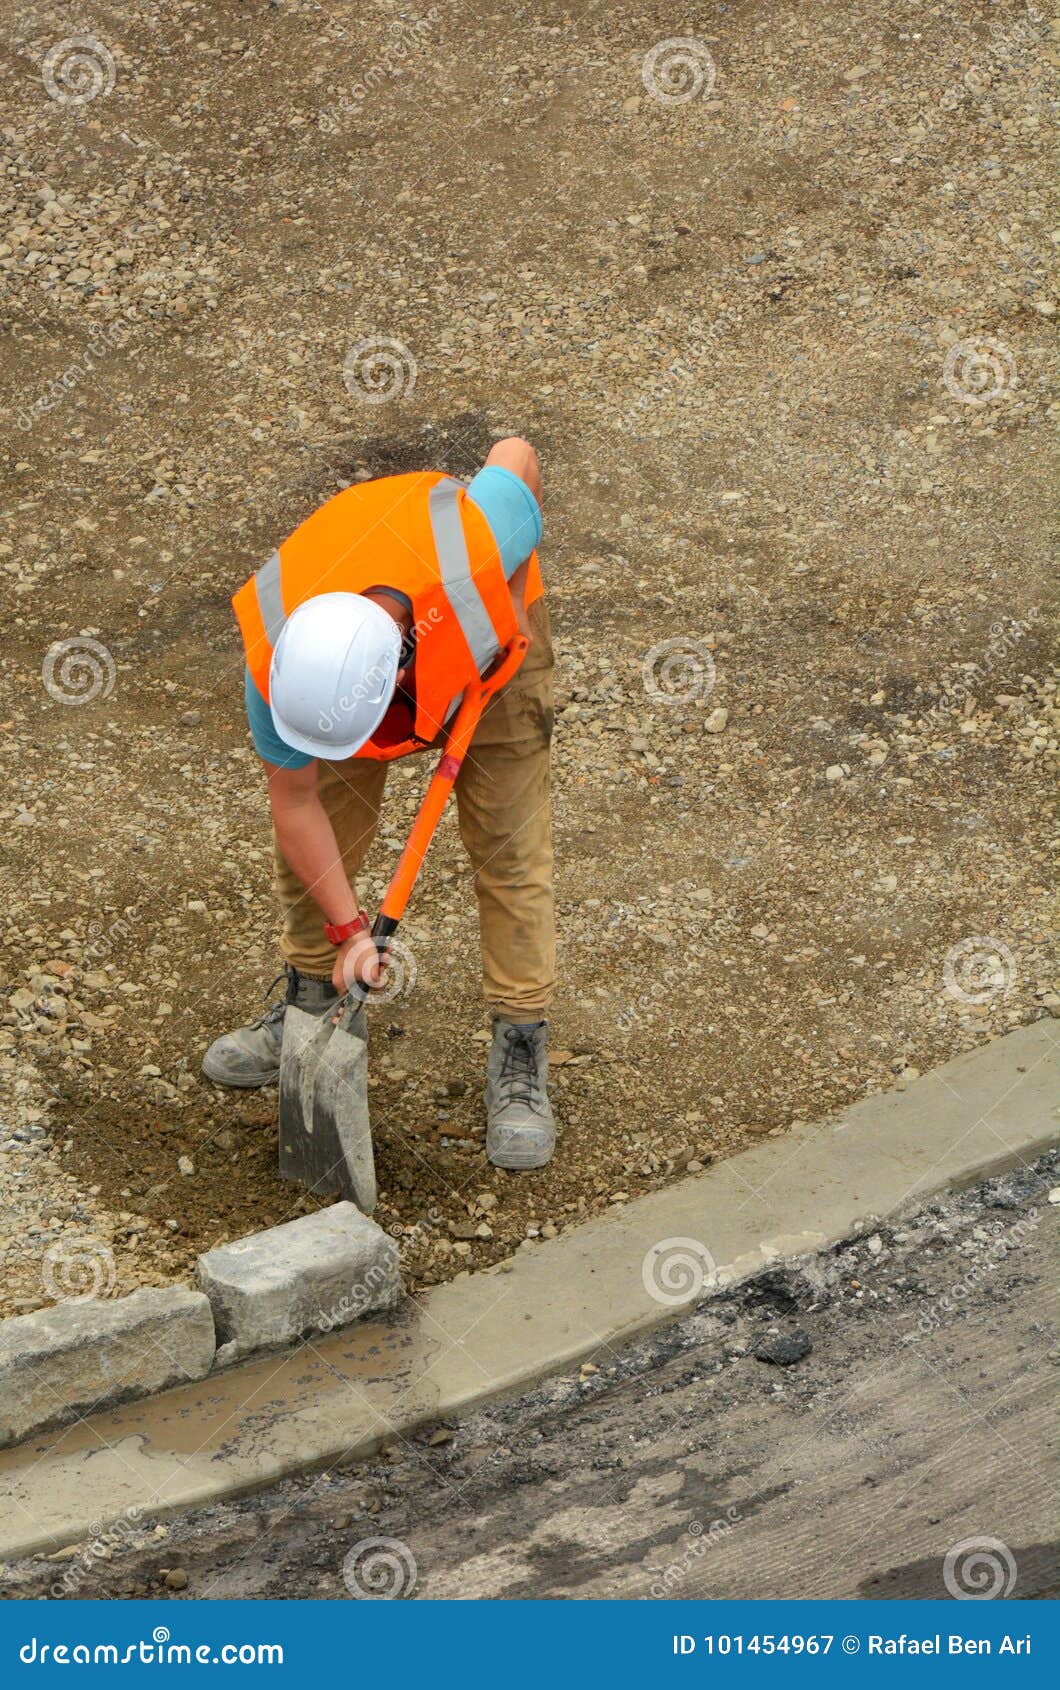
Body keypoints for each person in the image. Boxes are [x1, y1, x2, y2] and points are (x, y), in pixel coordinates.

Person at [202, 438, 557, 1171]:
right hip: (357, 678)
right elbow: (296, 807)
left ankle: (520, 1044)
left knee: (510, 847)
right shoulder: (280, 663)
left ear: (396, 666)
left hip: (490, 659)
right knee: (327, 825)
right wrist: (350, 932)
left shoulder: (473, 546)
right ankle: (307, 1001)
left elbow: (516, 454)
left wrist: (511, 603)